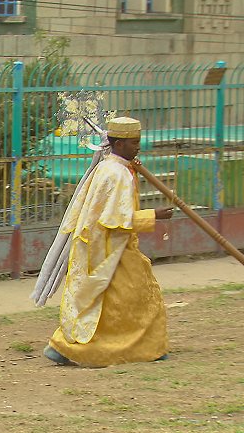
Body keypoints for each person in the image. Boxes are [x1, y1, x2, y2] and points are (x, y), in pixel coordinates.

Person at [44, 117, 174, 367]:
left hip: (107, 245)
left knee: (104, 300)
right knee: (139, 297)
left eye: (139, 141)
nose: (138, 146)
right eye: (133, 142)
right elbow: (115, 219)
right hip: (110, 248)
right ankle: (145, 349)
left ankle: (64, 347)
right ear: (118, 143)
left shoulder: (114, 168)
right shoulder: (116, 174)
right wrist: (154, 215)